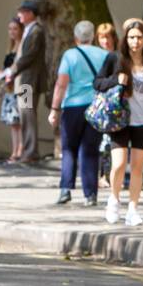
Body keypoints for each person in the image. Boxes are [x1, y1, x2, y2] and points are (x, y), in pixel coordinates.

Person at [94, 19, 143, 226]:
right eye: (131, 37)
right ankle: (113, 200)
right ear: (125, 39)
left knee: (138, 167)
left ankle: (133, 209)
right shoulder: (115, 59)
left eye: (139, 38)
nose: (135, 42)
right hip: (120, 119)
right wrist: (115, 80)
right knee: (119, 164)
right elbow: (98, 83)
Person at [49, 20, 108, 205]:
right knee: (90, 151)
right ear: (93, 37)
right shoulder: (104, 55)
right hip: (95, 107)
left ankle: (65, 190)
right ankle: (90, 195)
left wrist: (54, 109)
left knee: (69, 149)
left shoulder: (70, 55)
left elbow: (61, 84)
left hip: (72, 108)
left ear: (75, 37)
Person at [9, 0, 46, 163]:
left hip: (28, 81)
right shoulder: (29, 30)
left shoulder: (36, 31)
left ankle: (30, 152)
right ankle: (28, 151)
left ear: (31, 13)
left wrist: (13, 69)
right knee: (25, 117)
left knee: (27, 117)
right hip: (25, 81)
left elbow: (28, 56)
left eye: (22, 12)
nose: (19, 15)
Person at [0, 17, 23, 161]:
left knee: (22, 120)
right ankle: (15, 151)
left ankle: (21, 150)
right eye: (10, 28)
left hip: (22, 87)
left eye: (15, 28)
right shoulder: (10, 47)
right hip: (10, 89)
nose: (12, 32)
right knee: (13, 122)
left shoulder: (22, 47)